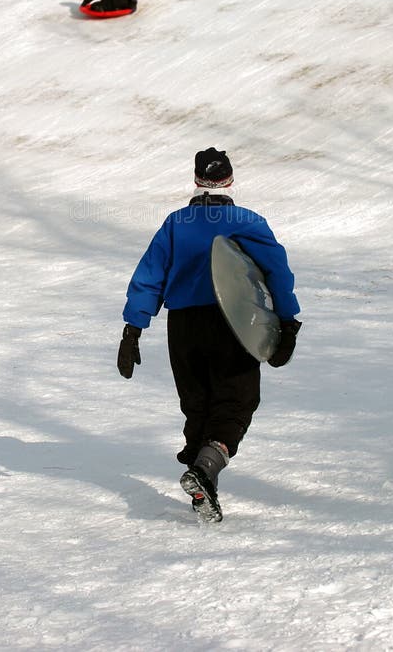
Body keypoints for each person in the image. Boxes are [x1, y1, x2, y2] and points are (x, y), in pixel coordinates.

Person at [117, 148, 301, 522]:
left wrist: (132, 329)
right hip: (233, 323)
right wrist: (288, 322)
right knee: (235, 402)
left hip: (183, 327)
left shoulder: (176, 224)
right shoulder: (247, 221)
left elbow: (149, 276)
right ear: (230, 180)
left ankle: (204, 486)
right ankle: (205, 470)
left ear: (197, 180)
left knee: (197, 403)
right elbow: (277, 273)